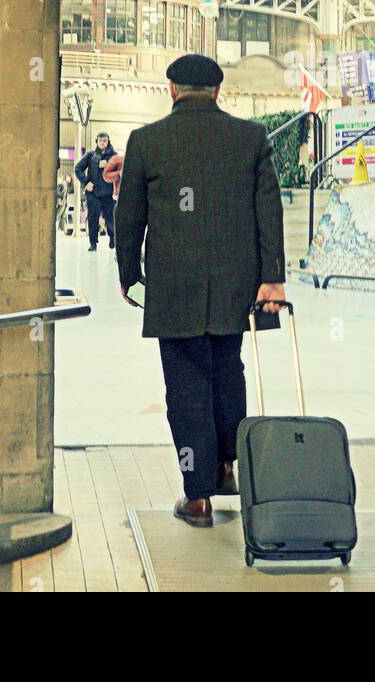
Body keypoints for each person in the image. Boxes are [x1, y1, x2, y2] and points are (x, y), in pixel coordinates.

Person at [114, 54, 286, 528]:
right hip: (237, 286)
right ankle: (226, 467)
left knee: (187, 387)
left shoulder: (146, 142)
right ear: (217, 91)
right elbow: (268, 211)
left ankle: (197, 497)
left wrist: (129, 274)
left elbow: (129, 218)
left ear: (171, 89)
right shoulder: (250, 138)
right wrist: (273, 277)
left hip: (175, 288)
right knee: (228, 372)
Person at [74, 131, 118, 252]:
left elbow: (121, 170)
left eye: (104, 140)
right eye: (100, 141)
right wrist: (85, 182)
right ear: (97, 142)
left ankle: (112, 238)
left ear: (108, 141)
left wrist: (109, 164)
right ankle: (93, 243)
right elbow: (77, 168)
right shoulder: (90, 155)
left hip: (108, 194)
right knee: (93, 218)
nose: (102, 143)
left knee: (110, 217)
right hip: (93, 194)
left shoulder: (114, 156)